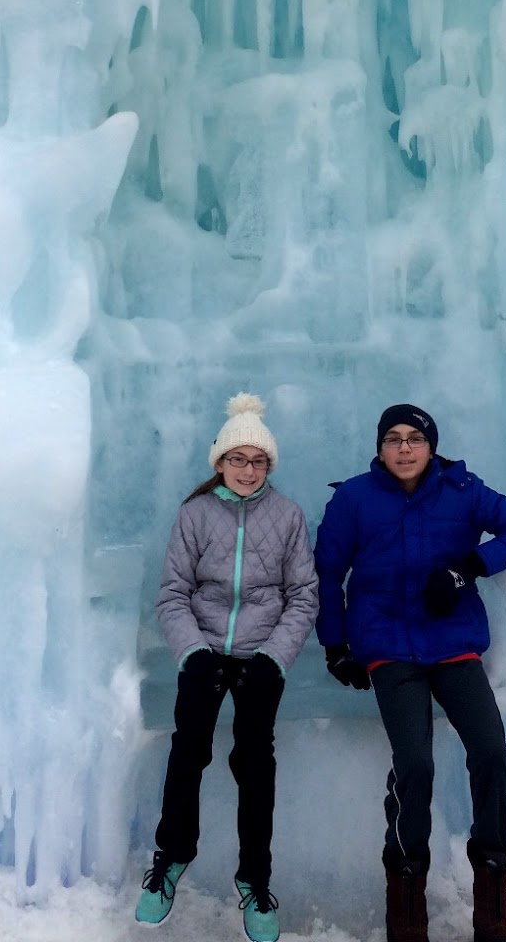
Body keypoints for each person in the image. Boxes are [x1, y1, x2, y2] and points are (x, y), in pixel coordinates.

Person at [314, 403, 506, 942]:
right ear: (379, 448)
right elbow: (327, 572)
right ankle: (407, 909)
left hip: (453, 644)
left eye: (414, 439)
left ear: (431, 446)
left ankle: (493, 905)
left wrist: (469, 566)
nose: (404, 448)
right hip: (387, 645)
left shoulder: (462, 490)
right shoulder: (354, 498)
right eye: (392, 439)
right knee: (414, 764)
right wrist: (335, 645)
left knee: (492, 753)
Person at [136, 392, 318, 941]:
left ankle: (255, 880)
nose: (248, 470)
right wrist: (192, 654)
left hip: (261, 656)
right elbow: (173, 594)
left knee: (255, 763)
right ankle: (172, 857)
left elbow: (303, 596)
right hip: (205, 653)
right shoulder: (195, 514)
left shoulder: (287, 516)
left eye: (258, 461)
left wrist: (274, 658)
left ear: (269, 467)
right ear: (220, 462)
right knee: (188, 751)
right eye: (238, 459)